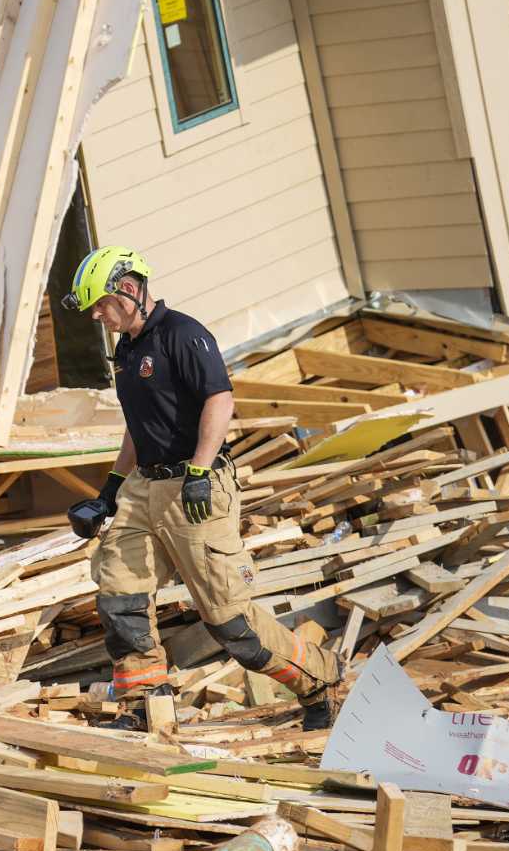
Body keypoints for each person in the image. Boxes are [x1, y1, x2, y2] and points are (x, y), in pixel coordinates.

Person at [63, 246, 340, 732]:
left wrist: (198, 471)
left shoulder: (183, 335)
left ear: (129, 291)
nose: (97, 316)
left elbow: (220, 399)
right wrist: (109, 491)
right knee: (119, 596)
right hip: (144, 489)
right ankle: (143, 707)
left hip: (195, 489)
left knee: (231, 623)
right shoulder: (127, 350)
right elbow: (137, 425)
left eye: (101, 305)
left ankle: (319, 680)